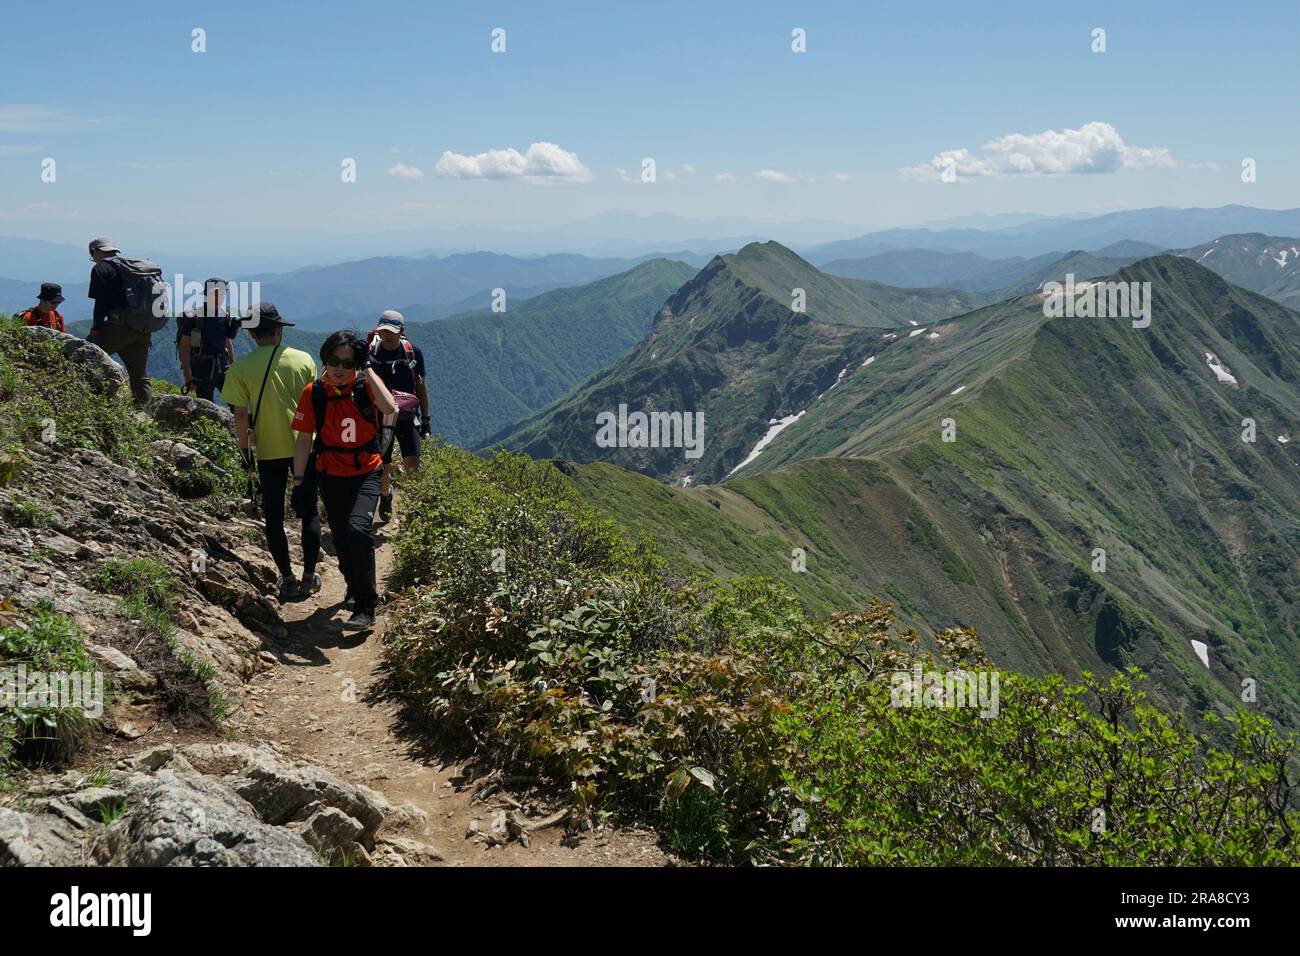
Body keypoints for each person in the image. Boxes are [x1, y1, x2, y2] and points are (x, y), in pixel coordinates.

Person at [292, 330, 397, 630]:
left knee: (358, 529)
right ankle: (353, 586)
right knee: (340, 537)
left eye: (348, 362)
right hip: (330, 473)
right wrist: (299, 483)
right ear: (324, 358)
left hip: (367, 469)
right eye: (333, 360)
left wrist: (367, 368)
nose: (339, 368)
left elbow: (390, 407)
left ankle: (366, 604)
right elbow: (303, 440)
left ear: (357, 363)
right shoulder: (315, 392)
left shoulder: (365, 386)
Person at [223, 302, 322, 601]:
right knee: (309, 512)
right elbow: (316, 405)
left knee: (274, 516)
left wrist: (245, 454)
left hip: (267, 450)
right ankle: (309, 576)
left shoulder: (240, 369)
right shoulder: (304, 360)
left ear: (252, 334)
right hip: (304, 446)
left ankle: (287, 578)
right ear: (279, 329)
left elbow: (240, 416)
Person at [366, 310, 430, 521]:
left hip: (407, 416)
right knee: (383, 466)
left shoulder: (412, 352)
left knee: (413, 464)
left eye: (392, 332)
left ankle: (415, 509)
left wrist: (426, 419)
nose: (387, 336)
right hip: (380, 416)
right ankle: (386, 494)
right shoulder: (372, 352)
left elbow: (421, 386)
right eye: (383, 331)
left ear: (402, 331)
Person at [85, 236, 152, 404]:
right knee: (140, 375)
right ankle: (145, 414)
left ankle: (92, 402)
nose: (92, 258)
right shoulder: (130, 267)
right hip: (142, 328)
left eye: (92, 254)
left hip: (119, 327)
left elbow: (101, 303)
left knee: (86, 358)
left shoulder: (101, 269)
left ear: (96, 251)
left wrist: (96, 329)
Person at [179, 278, 238, 401]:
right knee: (206, 411)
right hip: (201, 371)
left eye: (222, 294)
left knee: (238, 404)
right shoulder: (194, 317)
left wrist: (233, 366)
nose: (218, 298)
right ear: (207, 295)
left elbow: (227, 340)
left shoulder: (224, 315)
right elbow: (184, 347)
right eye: (215, 294)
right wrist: (187, 377)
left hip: (223, 368)